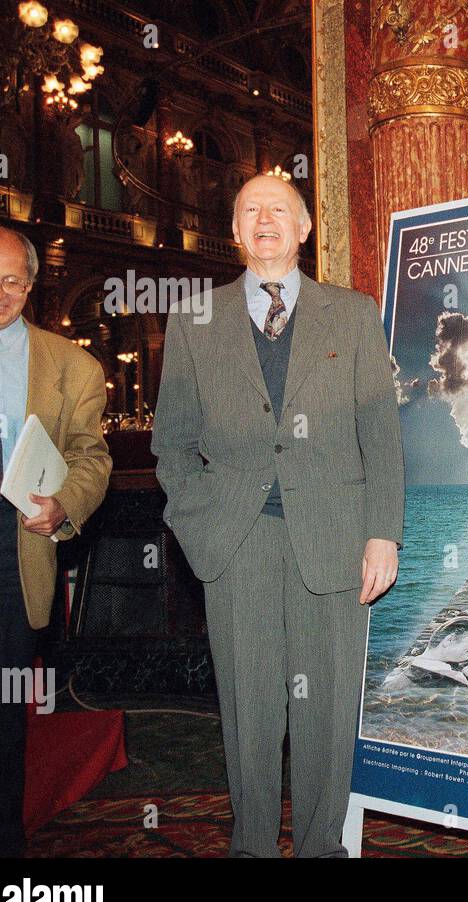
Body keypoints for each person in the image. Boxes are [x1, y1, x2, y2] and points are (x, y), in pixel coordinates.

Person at [151, 174, 404, 857]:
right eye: (250, 211)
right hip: (237, 544)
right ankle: (253, 847)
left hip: (334, 541)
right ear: (234, 233)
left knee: (324, 716)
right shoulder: (193, 318)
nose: (265, 220)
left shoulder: (352, 314)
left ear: (303, 230)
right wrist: (199, 526)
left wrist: (384, 533)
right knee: (250, 713)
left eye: (279, 210)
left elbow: (380, 434)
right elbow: (170, 442)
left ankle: (323, 847)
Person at [0, 224, 111, 856]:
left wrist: (63, 504)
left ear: (31, 284)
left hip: (11, 544)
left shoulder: (72, 365)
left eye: (12, 279)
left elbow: (90, 458)